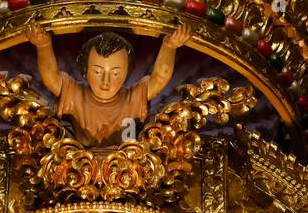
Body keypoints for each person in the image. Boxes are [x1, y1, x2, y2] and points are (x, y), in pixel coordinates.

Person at [28, 23, 192, 146]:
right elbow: (51, 77)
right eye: (98, 72)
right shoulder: (73, 95)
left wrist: (169, 46)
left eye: (115, 74)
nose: (105, 82)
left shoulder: (134, 99)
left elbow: (159, 78)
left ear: (127, 73)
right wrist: (43, 46)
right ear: (85, 70)